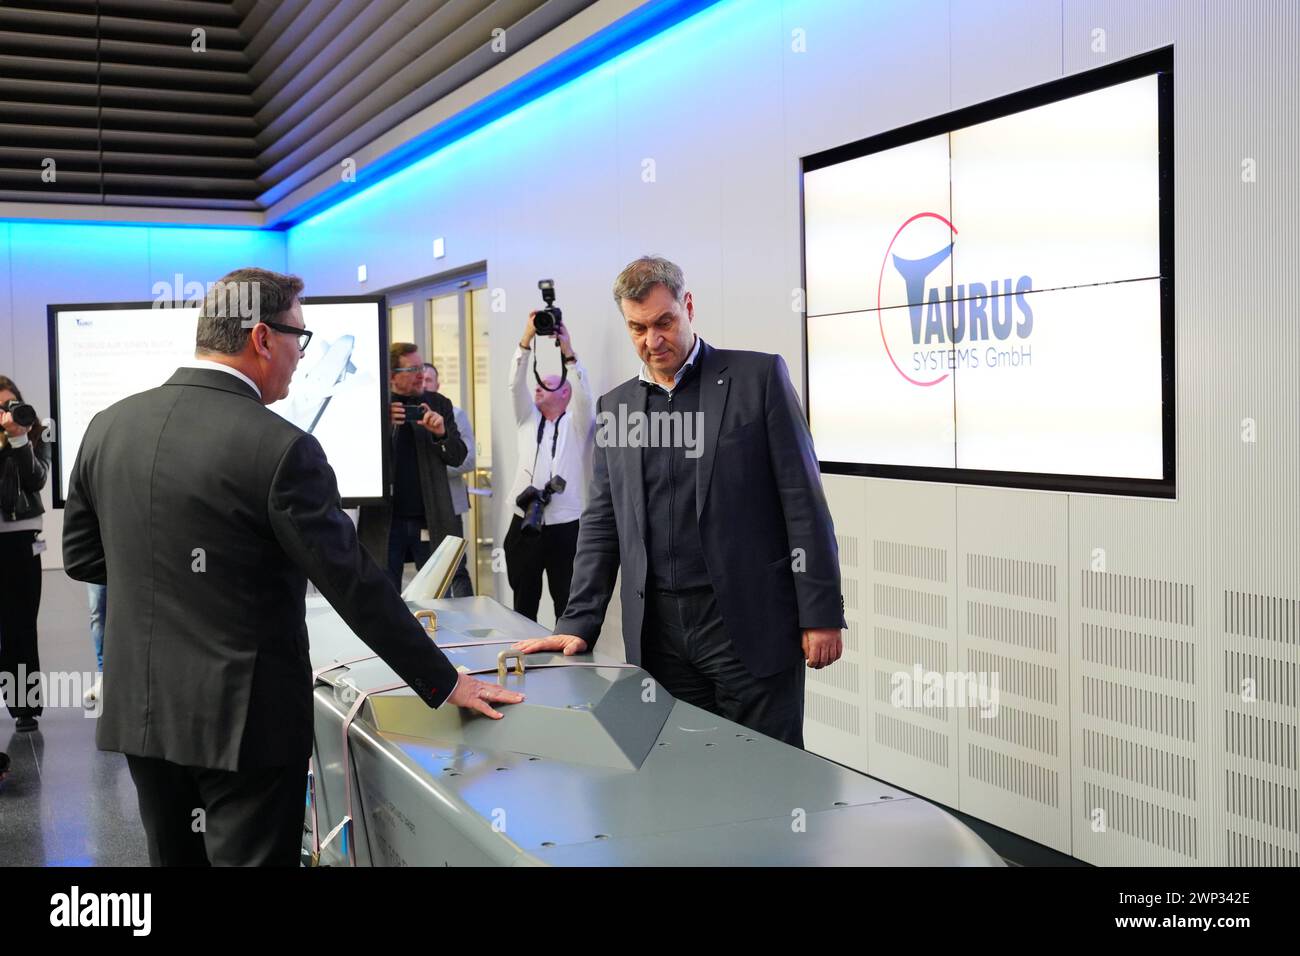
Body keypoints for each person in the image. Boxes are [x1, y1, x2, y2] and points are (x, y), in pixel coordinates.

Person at [63, 267, 521, 867]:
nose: (302, 356)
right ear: (261, 338)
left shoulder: (108, 426)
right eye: (298, 339)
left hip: (144, 711)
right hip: (244, 720)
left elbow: (81, 557)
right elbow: (353, 584)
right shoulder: (281, 446)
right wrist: (445, 681)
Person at [513, 256, 845, 748]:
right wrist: (578, 619)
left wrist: (820, 612)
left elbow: (802, 500)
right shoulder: (616, 407)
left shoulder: (757, 379)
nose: (652, 340)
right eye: (638, 328)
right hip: (660, 635)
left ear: (687, 307)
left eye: (664, 322)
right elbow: (603, 520)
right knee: (681, 778)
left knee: (767, 777)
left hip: (747, 626)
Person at [504, 314, 595, 621]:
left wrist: (568, 351)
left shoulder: (577, 424)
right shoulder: (526, 419)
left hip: (565, 525)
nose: (539, 388)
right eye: (538, 384)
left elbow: (585, 396)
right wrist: (526, 338)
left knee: (567, 601)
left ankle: (568, 663)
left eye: (549, 384)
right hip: (525, 521)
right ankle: (523, 660)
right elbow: (515, 384)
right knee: (523, 602)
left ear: (566, 393)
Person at [358, 344, 466, 592]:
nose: (421, 374)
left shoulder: (439, 404)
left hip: (429, 519)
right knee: (384, 595)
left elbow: (458, 456)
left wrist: (440, 434)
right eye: (413, 368)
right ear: (392, 375)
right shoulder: (373, 405)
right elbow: (359, 454)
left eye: (421, 366)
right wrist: (385, 425)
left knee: (436, 595)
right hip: (384, 522)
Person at [0, 375, 49, 734]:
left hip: (21, 540)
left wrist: (18, 438)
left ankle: (24, 708)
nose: (8, 411)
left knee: (21, 628)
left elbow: (37, 480)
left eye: (11, 403)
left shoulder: (37, 430)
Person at [423, 363, 475, 597]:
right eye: (419, 380)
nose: (424, 385)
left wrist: (430, 471)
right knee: (427, 573)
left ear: (438, 385)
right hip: (419, 508)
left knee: (455, 568)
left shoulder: (455, 413)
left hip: (449, 505)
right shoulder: (403, 416)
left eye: (429, 380)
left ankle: (466, 623)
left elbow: (468, 459)